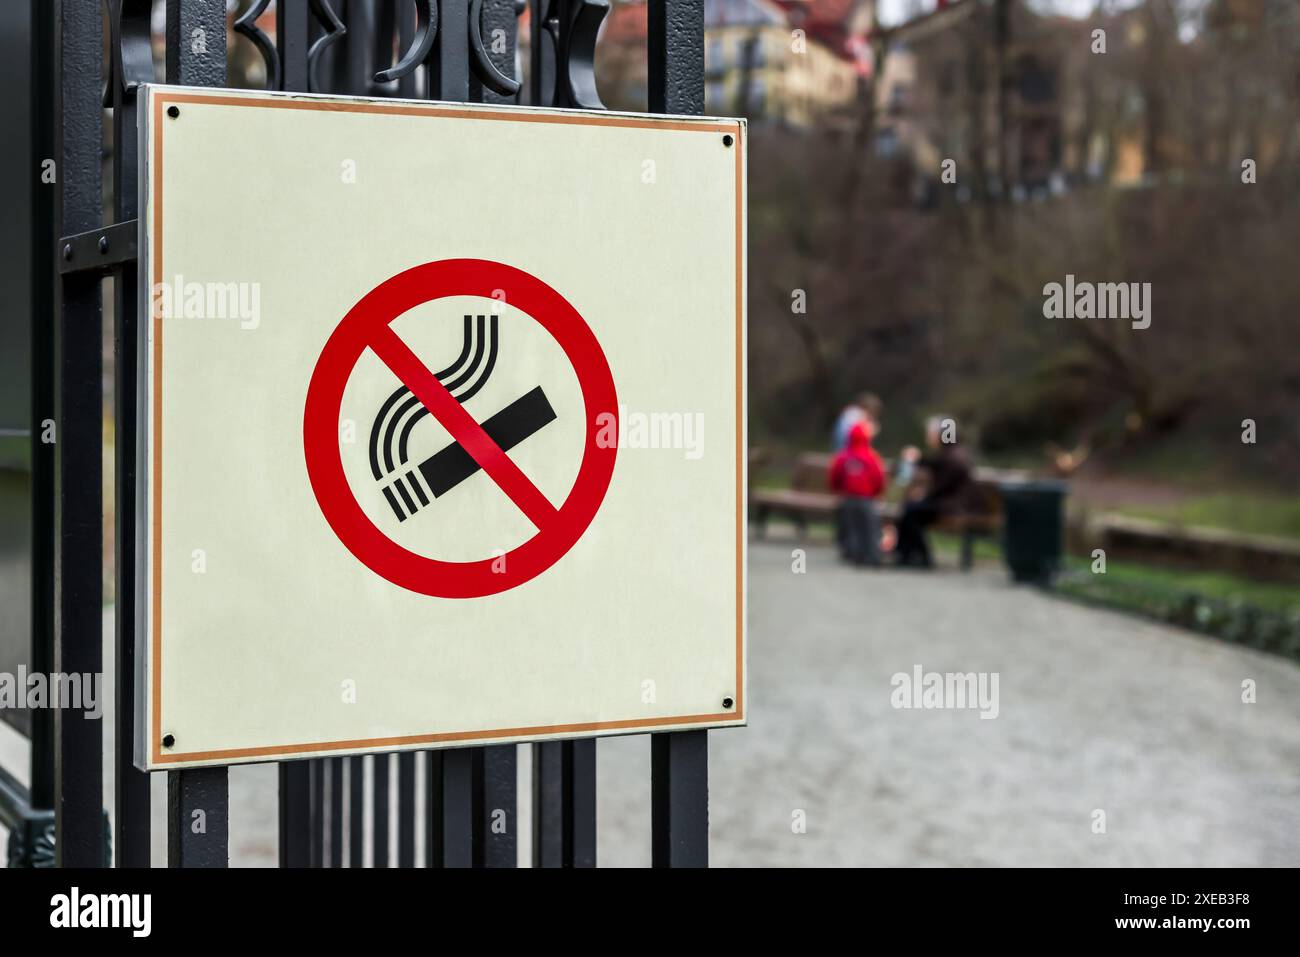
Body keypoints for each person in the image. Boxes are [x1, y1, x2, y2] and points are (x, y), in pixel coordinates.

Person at [895, 416, 974, 568]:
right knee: (910, 509)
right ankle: (907, 554)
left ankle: (919, 556)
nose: (928, 437)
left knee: (911, 511)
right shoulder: (951, 452)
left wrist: (924, 495)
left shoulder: (953, 456)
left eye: (930, 433)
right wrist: (917, 459)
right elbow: (935, 465)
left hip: (951, 506)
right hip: (948, 502)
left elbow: (943, 485)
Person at [828, 404, 887, 566]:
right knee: (870, 528)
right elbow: (878, 478)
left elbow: (835, 476)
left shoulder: (843, 456)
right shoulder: (872, 457)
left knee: (851, 527)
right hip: (866, 500)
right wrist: (877, 494)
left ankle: (854, 554)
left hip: (848, 499)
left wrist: (837, 491)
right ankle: (873, 556)